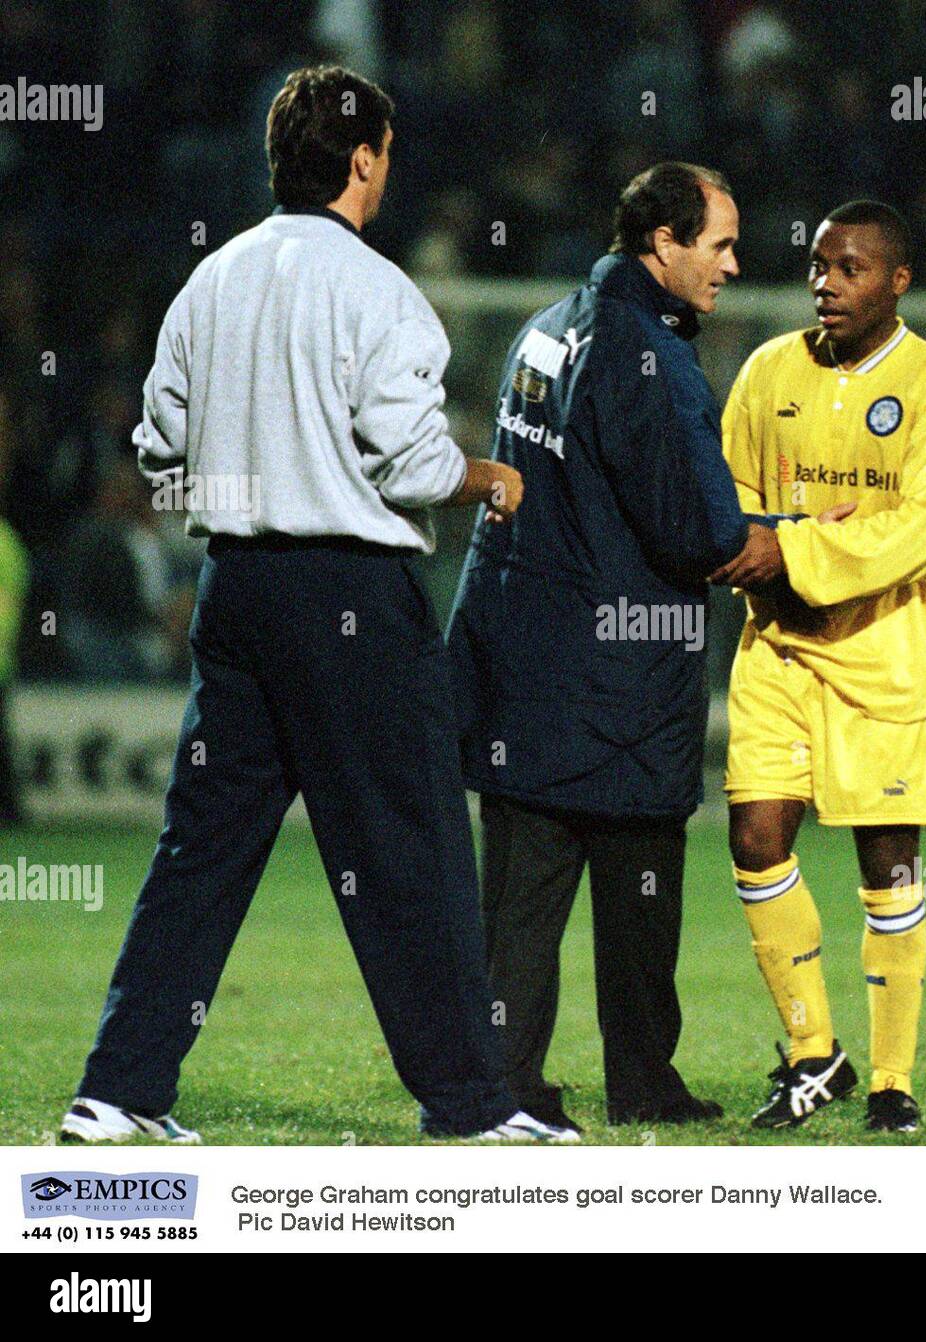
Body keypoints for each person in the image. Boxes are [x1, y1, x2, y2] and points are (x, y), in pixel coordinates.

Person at [60, 65, 573, 1145]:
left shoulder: (212, 278)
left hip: (237, 589)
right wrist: (484, 475)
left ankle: (119, 1087)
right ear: (362, 159)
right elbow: (408, 459)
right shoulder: (379, 289)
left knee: (200, 848)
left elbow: (158, 440)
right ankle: (475, 1106)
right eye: (384, 150)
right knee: (413, 844)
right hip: (350, 592)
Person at [447, 162, 777, 1129]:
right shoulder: (650, 356)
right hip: (617, 681)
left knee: (518, 899)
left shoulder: (546, 326)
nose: (731, 265)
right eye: (717, 244)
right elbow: (697, 530)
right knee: (638, 894)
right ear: (662, 244)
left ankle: (503, 1080)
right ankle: (641, 1079)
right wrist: (775, 534)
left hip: (523, 662)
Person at [712, 199, 926, 1133]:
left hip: (888, 658)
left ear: (897, 282)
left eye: (851, 268)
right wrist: (778, 550)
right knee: (754, 841)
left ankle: (895, 1079)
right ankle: (812, 1054)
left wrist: (799, 557)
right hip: (780, 647)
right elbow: (733, 494)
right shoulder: (767, 370)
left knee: (889, 864)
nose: (827, 283)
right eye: (820, 265)